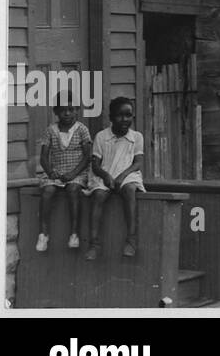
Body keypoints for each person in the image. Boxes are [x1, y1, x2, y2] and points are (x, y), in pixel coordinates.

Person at [86, 97, 146, 260]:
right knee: (98, 195)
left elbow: (138, 162)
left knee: (130, 190)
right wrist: (106, 176)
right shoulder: (101, 136)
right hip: (105, 173)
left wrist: (122, 176)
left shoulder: (137, 137)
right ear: (111, 117)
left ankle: (131, 240)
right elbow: (96, 165)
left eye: (128, 115)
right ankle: (94, 244)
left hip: (127, 173)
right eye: (120, 115)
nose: (125, 119)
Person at [36, 101, 93, 252]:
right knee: (47, 191)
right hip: (56, 172)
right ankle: (43, 234)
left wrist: (74, 173)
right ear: (56, 112)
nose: (67, 113)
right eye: (63, 110)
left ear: (77, 111)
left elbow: (88, 156)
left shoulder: (82, 130)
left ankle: (74, 234)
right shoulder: (50, 130)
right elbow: (43, 157)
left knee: (73, 189)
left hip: (78, 173)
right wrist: (50, 172)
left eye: (71, 110)